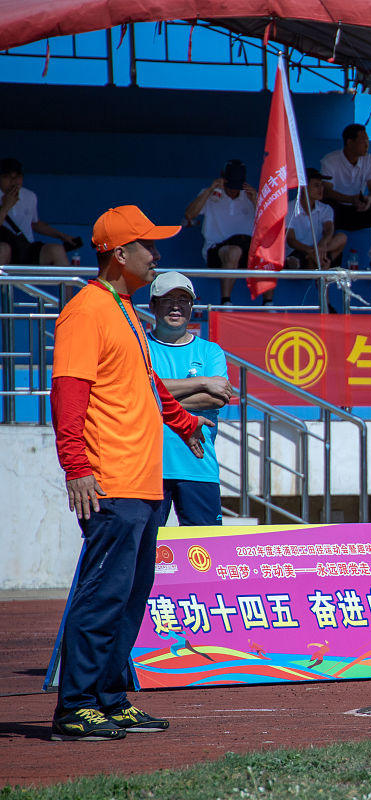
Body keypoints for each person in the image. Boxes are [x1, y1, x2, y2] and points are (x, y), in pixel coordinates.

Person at [49, 205, 212, 741]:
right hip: (111, 481)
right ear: (120, 254)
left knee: (131, 595)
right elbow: (68, 395)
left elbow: (147, 383)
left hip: (141, 482)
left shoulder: (122, 309)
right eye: (148, 246)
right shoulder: (87, 310)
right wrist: (76, 465)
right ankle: (76, 706)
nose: (157, 254)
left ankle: (110, 698)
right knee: (104, 594)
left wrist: (183, 421)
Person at [146, 272, 233, 527]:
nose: (176, 306)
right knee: (145, 556)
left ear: (192, 306)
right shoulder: (139, 345)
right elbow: (137, 389)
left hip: (198, 465)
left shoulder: (210, 350)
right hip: (148, 469)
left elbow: (216, 400)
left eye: (183, 299)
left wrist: (153, 397)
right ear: (152, 305)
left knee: (206, 556)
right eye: (168, 299)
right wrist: (202, 382)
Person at [182, 159, 258, 306]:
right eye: (230, 186)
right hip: (216, 250)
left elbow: (268, 224)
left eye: (236, 186)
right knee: (233, 251)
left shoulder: (250, 196)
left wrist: (255, 199)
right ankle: (226, 302)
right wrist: (211, 189)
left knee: (267, 252)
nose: (233, 190)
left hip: (247, 249)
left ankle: (268, 303)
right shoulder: (210, 194)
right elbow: (189, 215)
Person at [0, 158, 79, 266]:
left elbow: (34, 223)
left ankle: (70, 283)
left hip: (25, 247)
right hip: (4, 247)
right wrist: (5, 207)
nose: (13, 181)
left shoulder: (30, 196)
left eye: (17, 177)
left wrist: (62, 236)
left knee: (56, 250)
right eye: (8, 177)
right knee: (3, 249)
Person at [320, 123, 371, 232]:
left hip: (360, 209)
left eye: (367, 141)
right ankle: (328, 246)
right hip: (338, 210)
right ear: (350, 142)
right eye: (363, 141)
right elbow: (326, 191)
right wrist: (351, 199)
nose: (367, 145)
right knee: (325, 205)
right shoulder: (330, 160)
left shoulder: (370, 160)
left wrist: (368, 200)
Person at [286, 167, 347, 270]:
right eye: (316, 185)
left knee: (342, 237)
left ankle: (319, 261)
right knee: (303, 258)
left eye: (321, 185)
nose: (321, 189)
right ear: (303, 188)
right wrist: (311, 250)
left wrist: (322, 244)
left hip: (320, 250)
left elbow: (329, 229)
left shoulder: (326, 209)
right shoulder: (288, 208)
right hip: (298, 251)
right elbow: (291, 240)